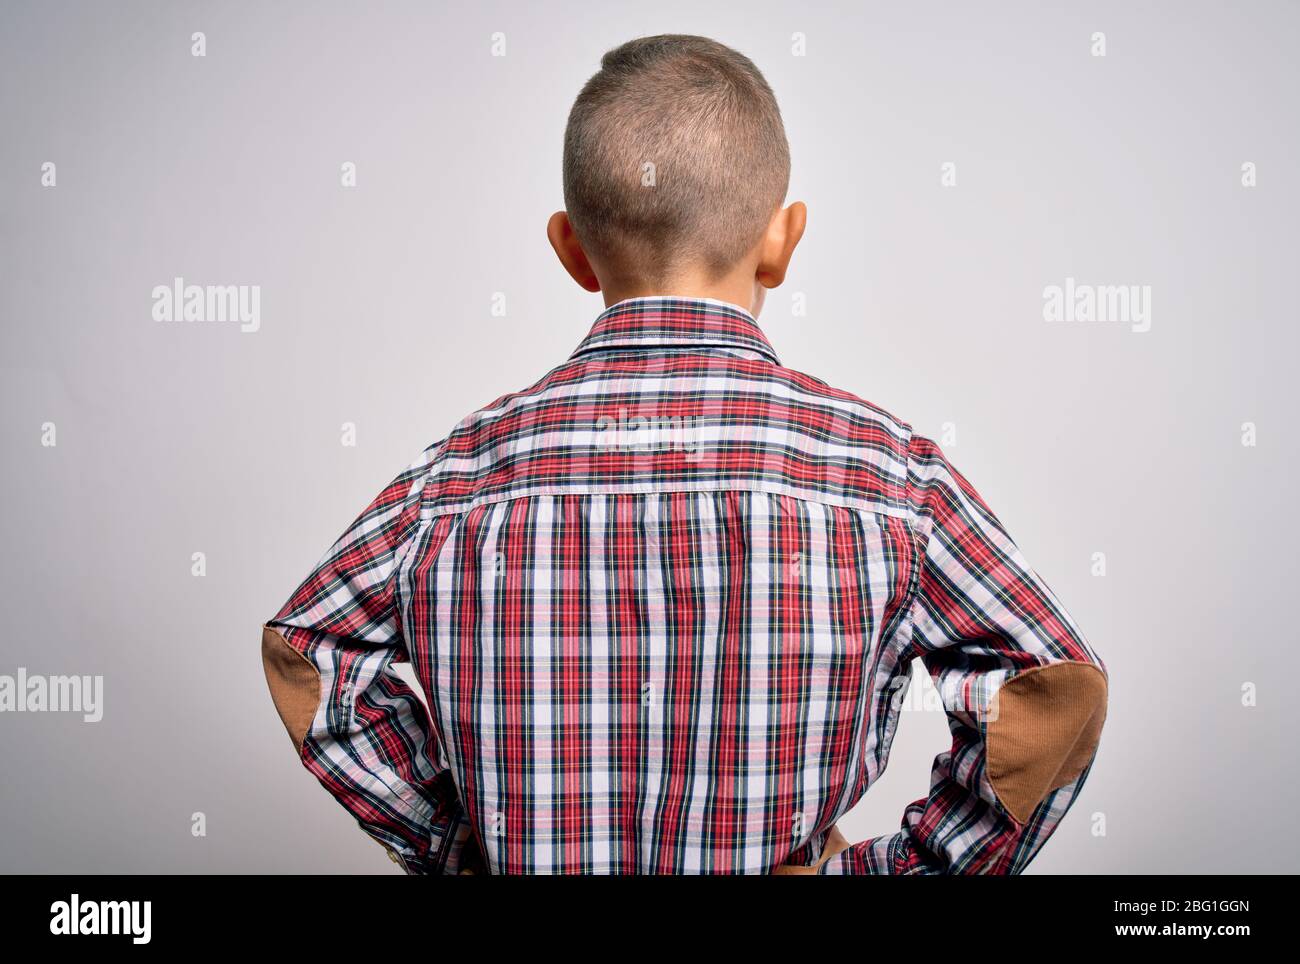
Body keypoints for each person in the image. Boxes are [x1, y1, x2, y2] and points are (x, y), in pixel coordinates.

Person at [261, 34, 1107, 875]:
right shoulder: (884, 477)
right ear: (783, 240)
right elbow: (1055, 687)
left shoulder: (453, 482)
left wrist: (456, 849)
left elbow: (309, 654)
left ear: (572, 251)